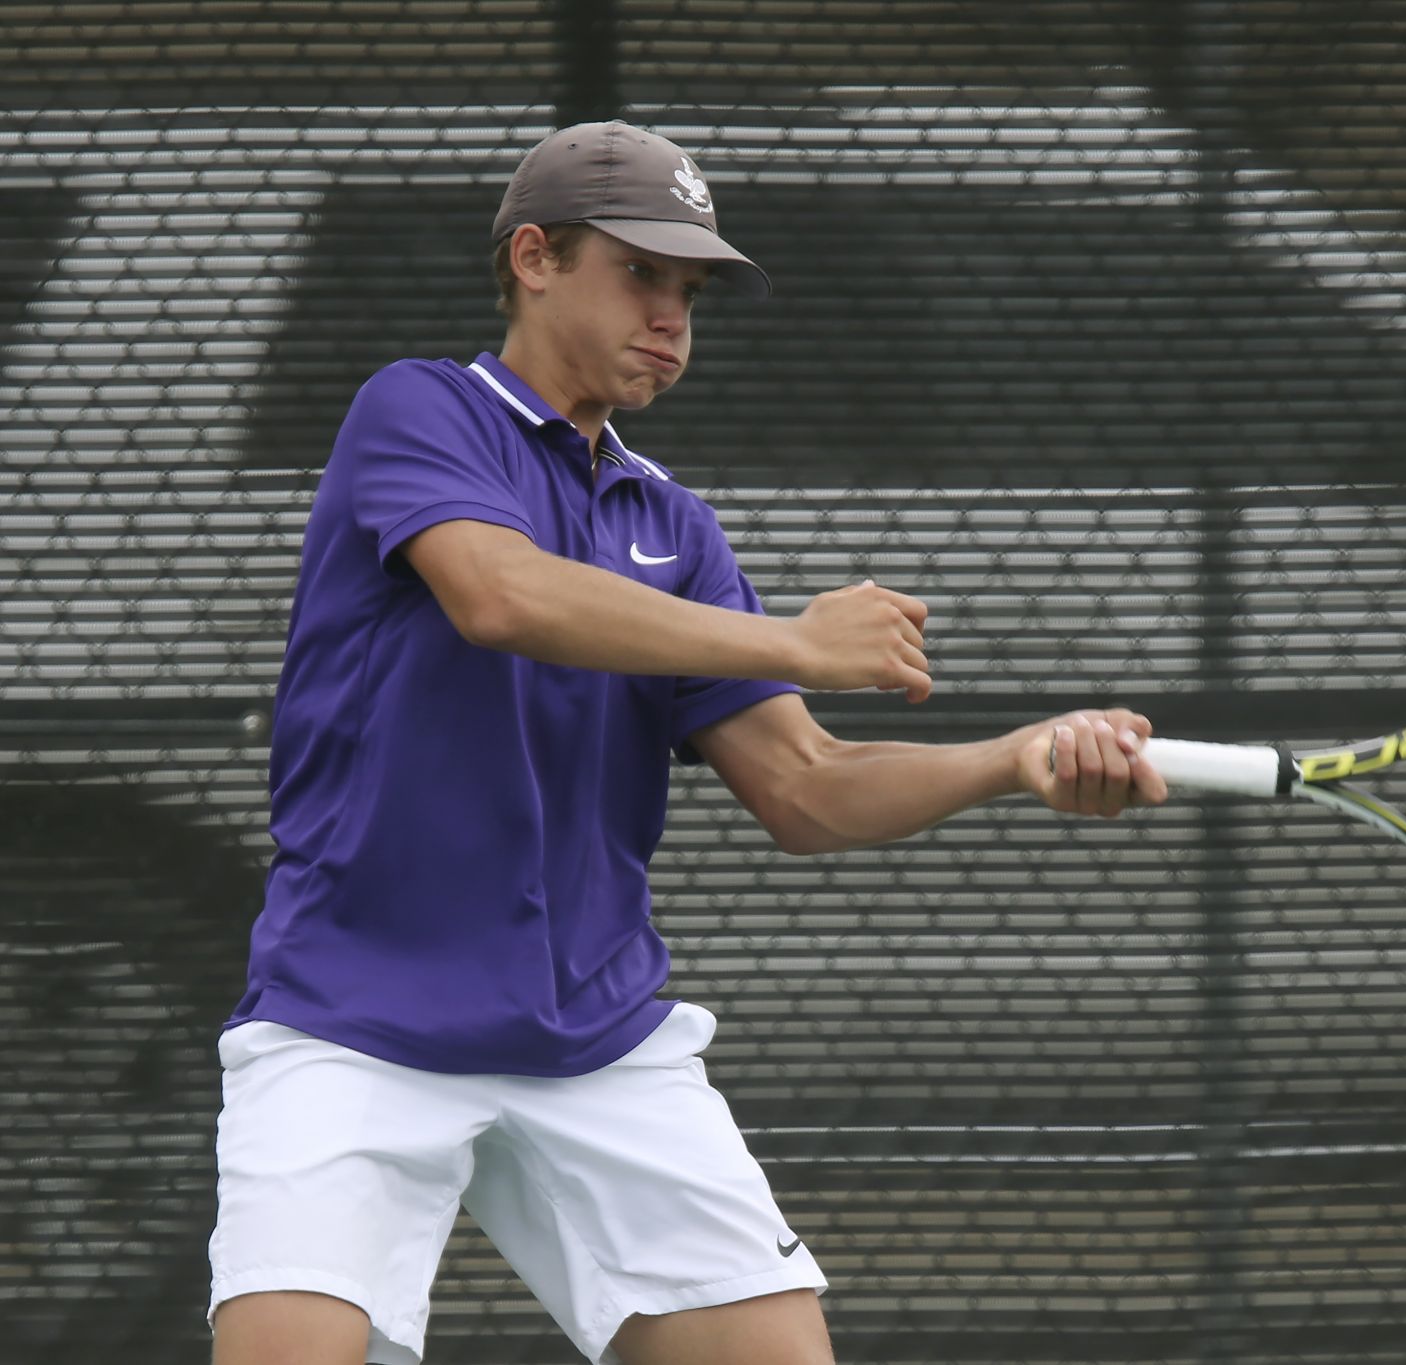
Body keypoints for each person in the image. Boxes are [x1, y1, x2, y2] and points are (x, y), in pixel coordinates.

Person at [207, 120, 1165, 1365]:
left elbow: (807, 788)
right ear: (535, 258)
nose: (670, 315)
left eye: (690, 290)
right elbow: (501, 596)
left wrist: (1008, 761)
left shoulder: (675, 529)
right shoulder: (419, 408)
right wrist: (795, 643)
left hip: (594, 1043)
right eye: (640, 274)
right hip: (352, 1024)